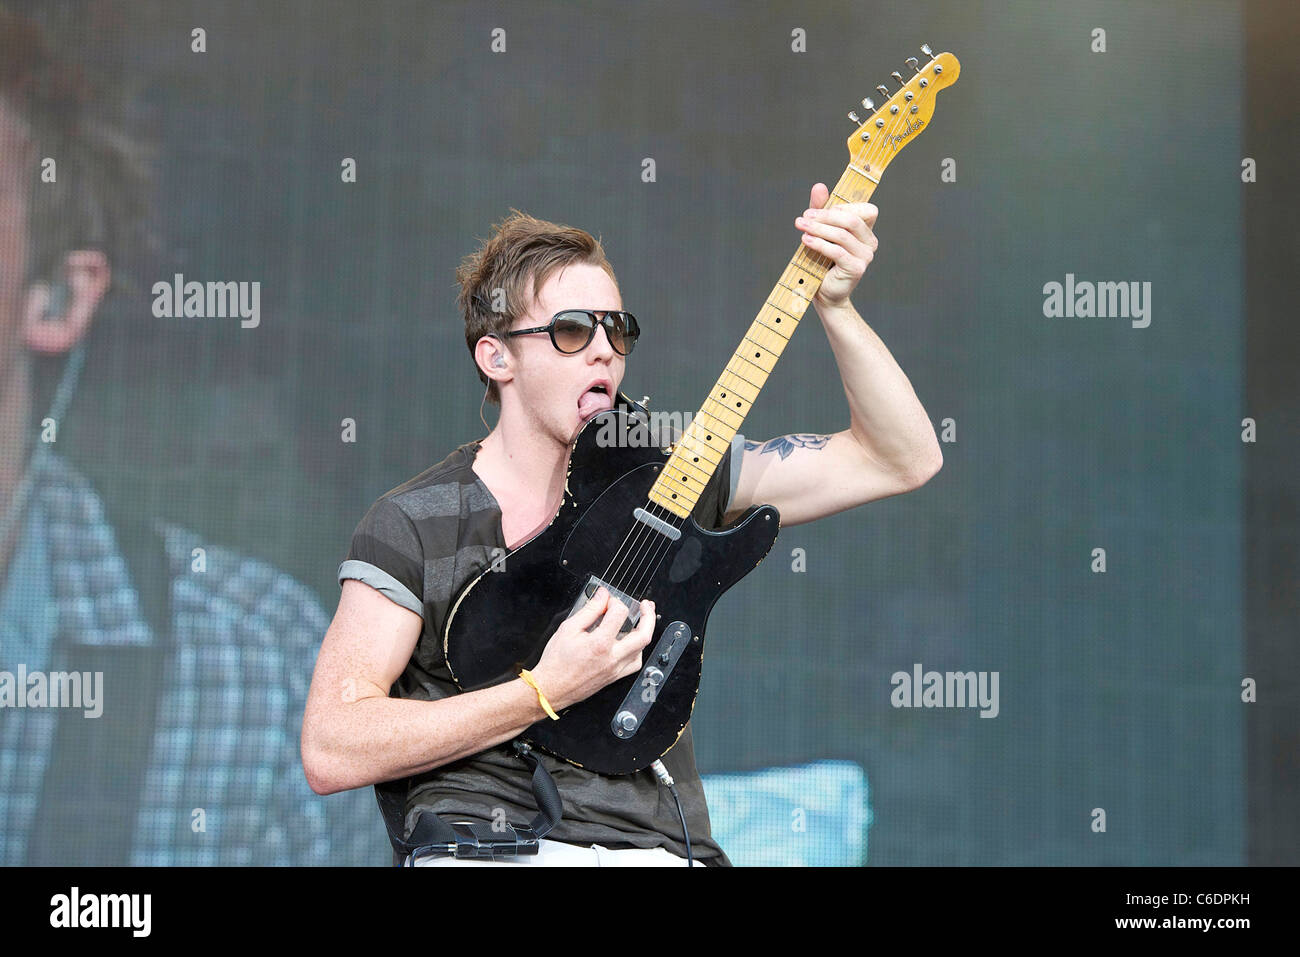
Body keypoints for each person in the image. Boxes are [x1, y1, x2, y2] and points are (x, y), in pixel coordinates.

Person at [301, 196, 943, 866]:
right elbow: (332, 743)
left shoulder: (676, 473)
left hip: (659, 850)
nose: (605, 350)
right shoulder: (417, 522)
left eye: (619, 330)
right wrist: (540, 692)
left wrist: (835, 307)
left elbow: (901, 457)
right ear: (497, 358)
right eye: (574, 330)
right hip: (491, 847)